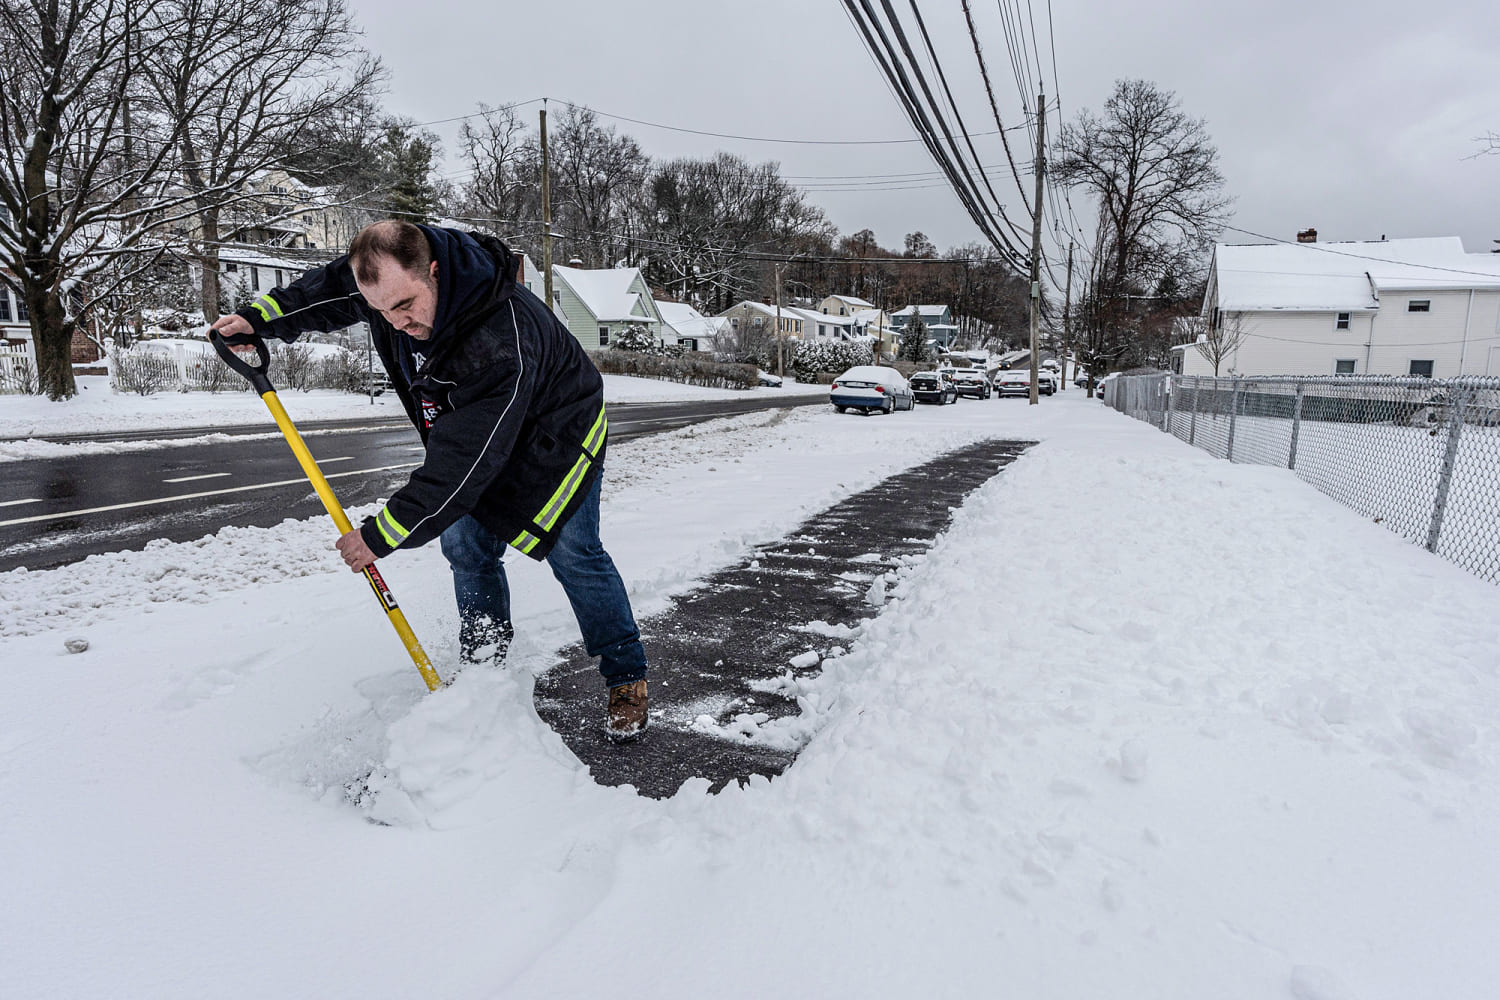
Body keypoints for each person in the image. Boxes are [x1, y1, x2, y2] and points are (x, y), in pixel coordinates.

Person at [208, 221, 649, 740]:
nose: (397, 323)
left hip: (555, 437)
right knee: (465, 545)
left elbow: (460, 464)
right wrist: (261, 318)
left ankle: (626, 676)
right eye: (381, 311)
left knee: (575, 553)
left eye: (405, 306)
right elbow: (329, 289)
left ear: (435, 272)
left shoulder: (499, 337)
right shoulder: (393, 281)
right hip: (478, 431)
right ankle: (486, 666)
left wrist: (380, 536)